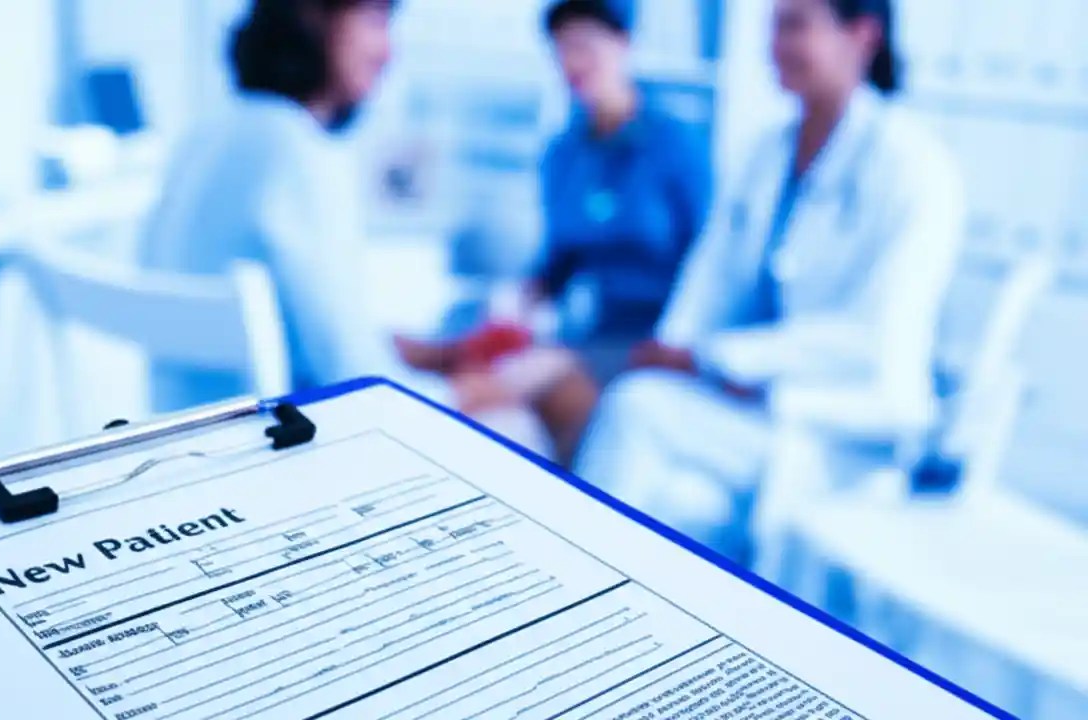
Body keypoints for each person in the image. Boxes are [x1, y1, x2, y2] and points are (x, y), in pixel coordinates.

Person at [572, 0, 966, 563]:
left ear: (862, 35)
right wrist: (677, 348)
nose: (775, 47)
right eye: (772, 28)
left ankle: (574, 576)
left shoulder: (912, 166)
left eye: (794, 26)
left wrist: (715, 359)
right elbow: (712, 277)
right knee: (667, 485)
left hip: (843, 425)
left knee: (636, 413)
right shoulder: (768, 152)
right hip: (751, 407)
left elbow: (872, 340)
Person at [396, 0, 711, 460]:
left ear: (624, 45)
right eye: (562, 49)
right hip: (591, 333)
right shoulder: (565, 153)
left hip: (658, 341)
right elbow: (561, 262)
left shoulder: (676, 147)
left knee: (517, 380)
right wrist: (517, 303)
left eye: (585, 46)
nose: (572, 62)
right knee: (481, 363)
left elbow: (711, 265)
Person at [139, 0, 400, 410]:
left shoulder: (207, 133)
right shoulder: (296, 152)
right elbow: (353, 374)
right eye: (375, 20)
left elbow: (306, 335)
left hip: (184, 425)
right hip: (284, 435)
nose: (388, 52)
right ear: (311, 17)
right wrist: (470, 393)